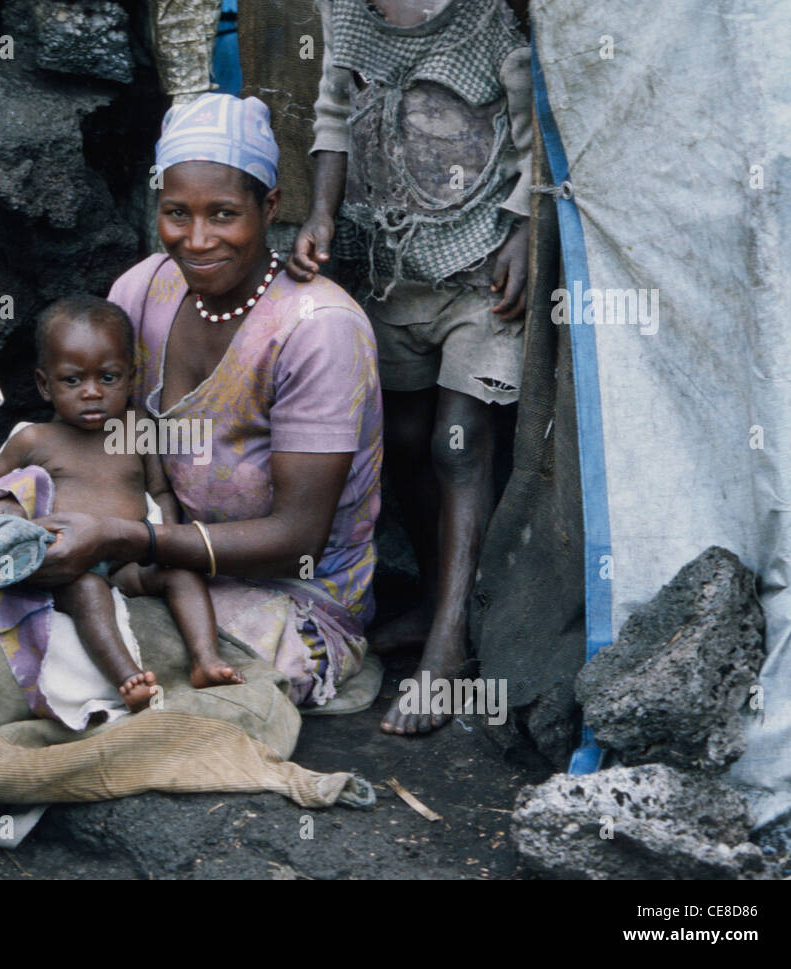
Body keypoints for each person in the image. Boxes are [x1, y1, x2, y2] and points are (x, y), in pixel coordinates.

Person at [29, 94, 383, 711]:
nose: (196, 240)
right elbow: (125, 438)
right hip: (157, 560)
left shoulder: (317, 328)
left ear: (269, 207)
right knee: (53, 629)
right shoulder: (142, 290)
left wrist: (125, 537)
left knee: (131, 674)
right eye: (176, 213)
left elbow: (298, 539)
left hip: (290, 595)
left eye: (223, 214)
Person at [288, 0, 532, 734]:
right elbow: (334, 114)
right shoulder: (346, 13)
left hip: (483, 269)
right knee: (402, 433)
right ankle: (435, 599)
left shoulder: (487, 17)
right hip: (394, 268)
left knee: (458, 440)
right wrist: (322, 213)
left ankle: (450, 649)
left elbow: (535, 135)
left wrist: (524, 227)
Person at [0, 296, 244, 712]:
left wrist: (167, 542)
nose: (92, 393)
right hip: (65, 566)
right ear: (45, 385)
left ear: (131, 379)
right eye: (72, 381)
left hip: (127, 561)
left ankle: (206, 659)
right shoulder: (34, 440)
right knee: (87, 591)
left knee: (182, 574)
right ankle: (127, 679)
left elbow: (160, 493)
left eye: (108, 377)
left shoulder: (136, 427)